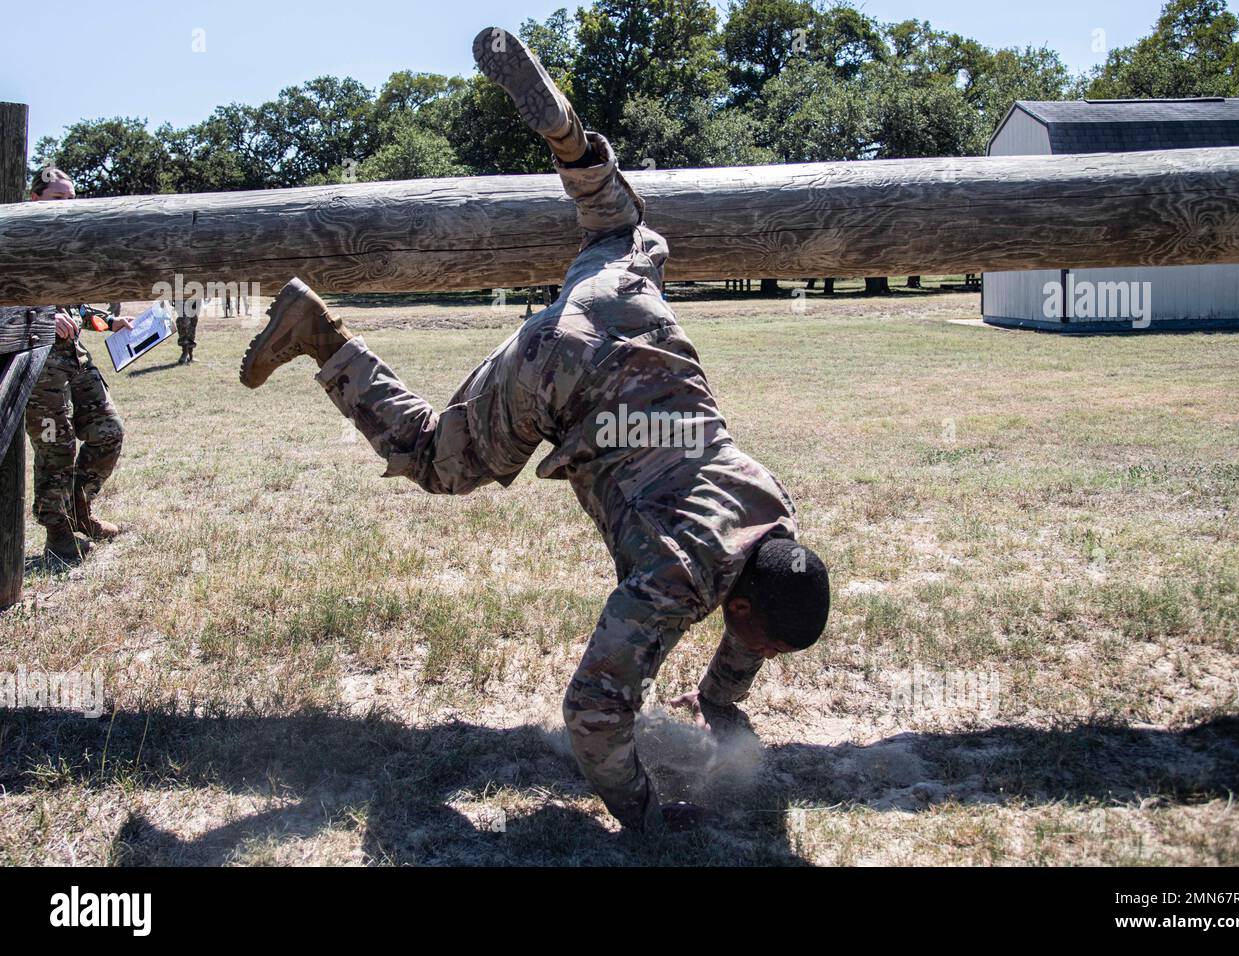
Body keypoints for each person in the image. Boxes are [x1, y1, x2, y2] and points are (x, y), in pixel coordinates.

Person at [238, 27, 830, 833]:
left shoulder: (774, 512)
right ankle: (321, 337)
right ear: (747, 614)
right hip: (563, 372)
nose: (755, 655)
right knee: (433, 460)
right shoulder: (680, 579)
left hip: (627, 310)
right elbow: (591, 713)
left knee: (618, 228)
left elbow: (751, 622)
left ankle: (574, 146)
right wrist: (644, 814)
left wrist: (722, 705)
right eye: (760, 647)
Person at [24, 168, 134, 562]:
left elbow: (75, 307)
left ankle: (80, 511)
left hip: (75, 360)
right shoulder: (14, 239)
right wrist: (41, 318)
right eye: (57, 200)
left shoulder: (64, 243)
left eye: (71, 201)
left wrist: (109, 320)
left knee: (109, 432)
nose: (66, 208)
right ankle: (57, 533)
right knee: (56, 446)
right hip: (37, 366)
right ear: (34, 199)